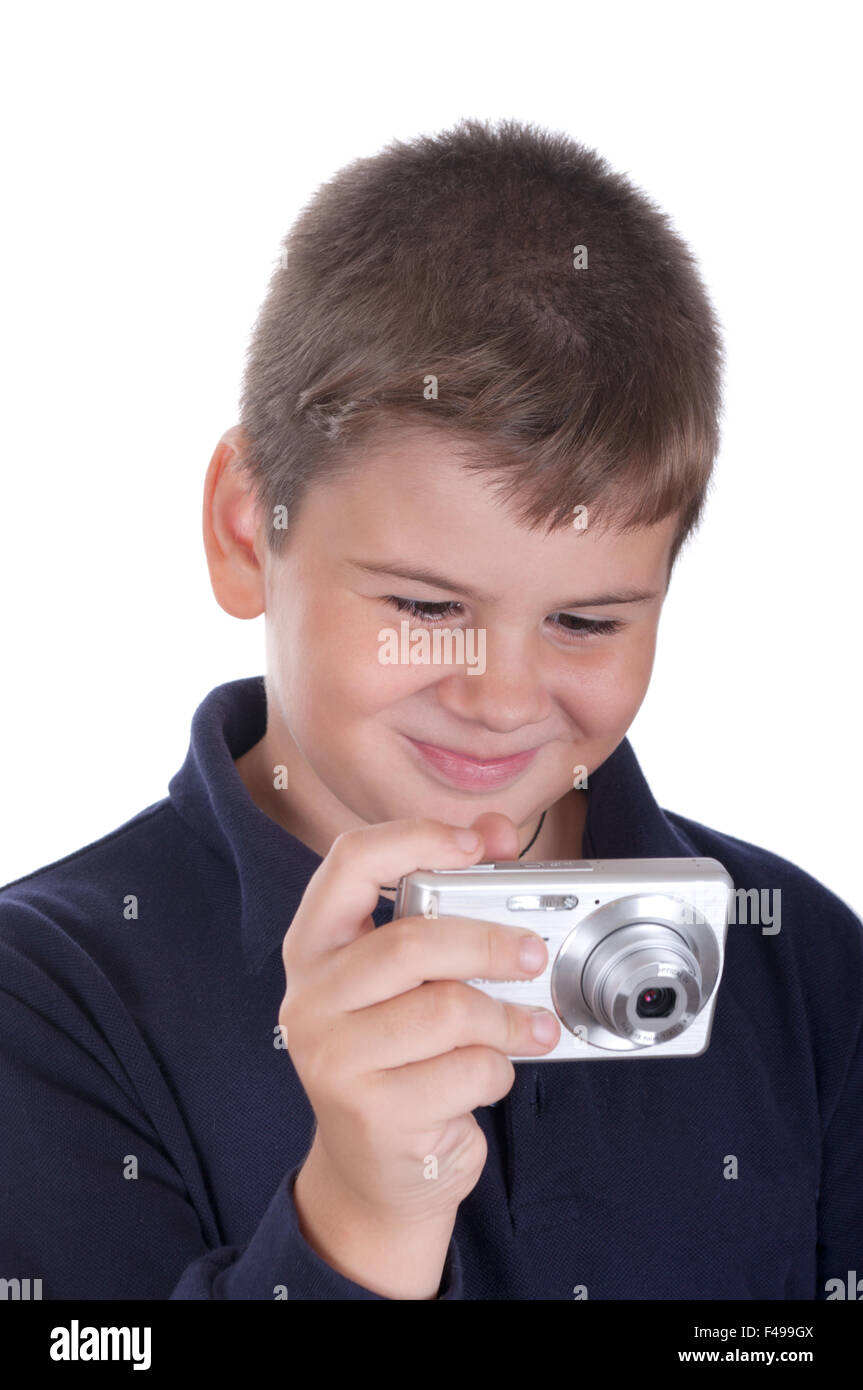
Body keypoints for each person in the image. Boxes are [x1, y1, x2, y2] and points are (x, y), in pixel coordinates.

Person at [1, 118, 860, 1301]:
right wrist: (358, 1216)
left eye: (586, 621)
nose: (500, 698)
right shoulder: (46, 999)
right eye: (424, 602)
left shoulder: (803, 971)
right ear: (249, 528)